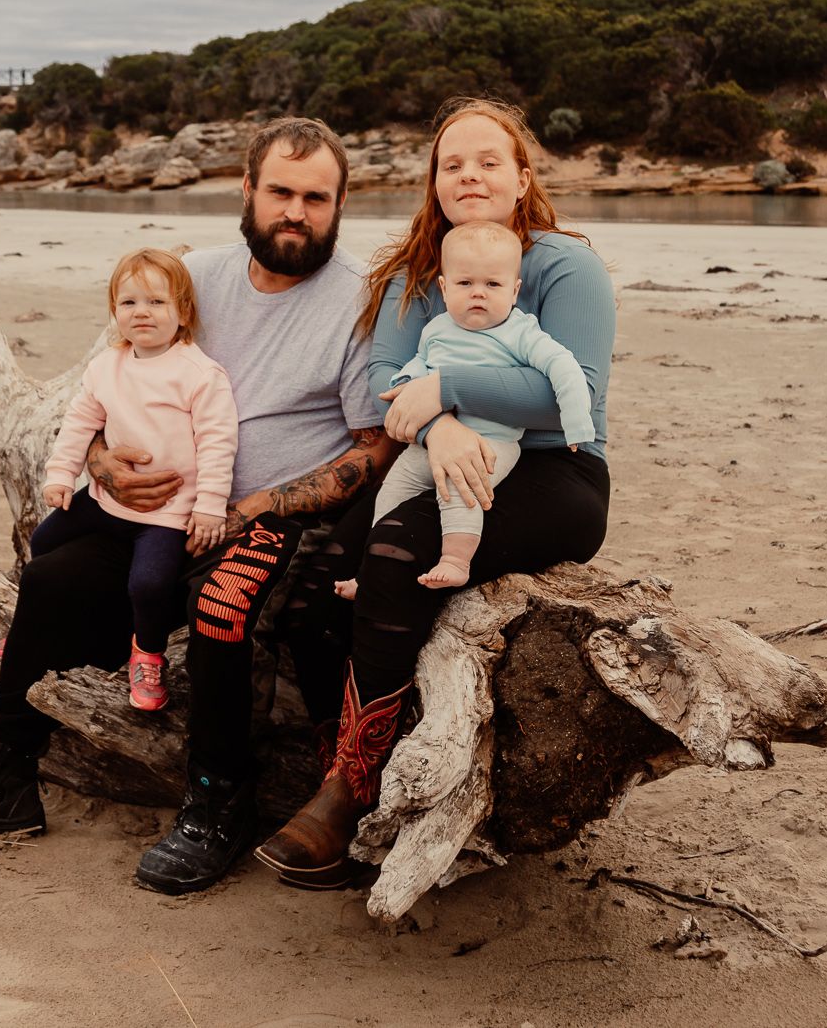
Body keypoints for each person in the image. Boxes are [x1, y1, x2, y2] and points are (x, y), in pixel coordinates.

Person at [0, 117, 396, 896]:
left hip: (269, 516)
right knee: (52, 578)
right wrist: (99, 462)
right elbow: (105, 383)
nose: (297, 212)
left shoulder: (361, 297)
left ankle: (219, 799)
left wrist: (262, 503)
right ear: (247, 189)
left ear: (341, 202)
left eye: (316, 198)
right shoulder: (195, 275)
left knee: (222, 608)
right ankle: (0, 777)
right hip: (155, 504)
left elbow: (372, 444)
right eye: (281, 192)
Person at [257, 96, 616, 890]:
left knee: (394, 550)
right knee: (315, 588)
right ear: (434, 182)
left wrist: (448, 390)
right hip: (433, 452)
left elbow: (571, 392)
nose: (469, 175)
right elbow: (389, 380)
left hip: (556, 470)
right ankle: (337, 755)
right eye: (452, 163)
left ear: (522, 178)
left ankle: (350, 790)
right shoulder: (420, 270)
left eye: (489, 160)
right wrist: (440, 428)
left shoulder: (564, 267)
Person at [27, 248, 238, 711]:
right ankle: (41, 627)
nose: (142, 312)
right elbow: (80, 424)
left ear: (183, 313)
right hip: (105, 499)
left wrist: (208, 506)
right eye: (129, 303)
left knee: (149, 584)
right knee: (43, 542)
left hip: (168, 512)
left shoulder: (200, 375)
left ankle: (147, 654)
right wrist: (61, 474)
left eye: (157, 302)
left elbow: (218, 443)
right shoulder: (107, 367)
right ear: (114, 313)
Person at [341, 220, 593, 598]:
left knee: (462, 491)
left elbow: (564, 368)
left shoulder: (521, 332)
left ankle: (456, 562)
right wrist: (403, 389)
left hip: (490, 444)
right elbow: (416, 367)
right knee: (392, 491)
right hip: (428, 446)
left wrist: (576, 425)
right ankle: (368, 575)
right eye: (465, 284)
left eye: (492, 285)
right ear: (444, 288)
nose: (478, 294)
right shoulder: (437, 329)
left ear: (514, 290)